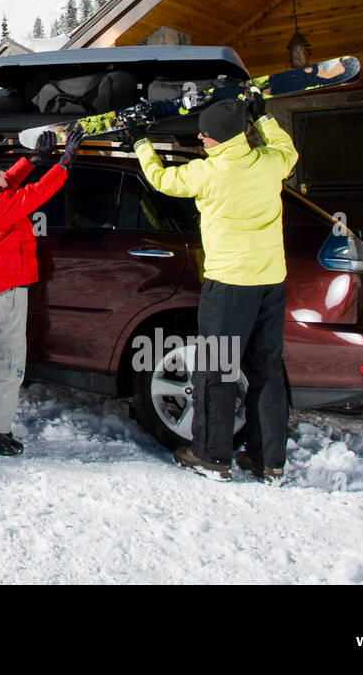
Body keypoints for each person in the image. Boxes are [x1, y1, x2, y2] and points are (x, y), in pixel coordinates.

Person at [127, 93, 298, 481]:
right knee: (267, 371)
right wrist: (264, 117)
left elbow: (160, 179)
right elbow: (287, 148)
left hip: (228, 286)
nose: (200, 140)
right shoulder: (271, 164)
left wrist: (140, 141)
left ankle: (211, 455)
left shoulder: (208, 173)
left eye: (204, 135)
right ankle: (268, 460)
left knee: (216, 370)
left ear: (218, 138)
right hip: (270, 282)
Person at [0, 124, 84, 456]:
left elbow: (10, 181)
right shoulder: (0, 206)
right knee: (10, 359)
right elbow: (36, 193)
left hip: (0, 284)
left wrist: (32, 159)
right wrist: (63, 163)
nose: (4, 176)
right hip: (8, 287)